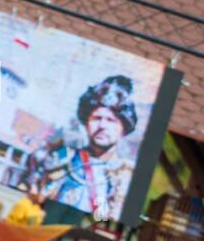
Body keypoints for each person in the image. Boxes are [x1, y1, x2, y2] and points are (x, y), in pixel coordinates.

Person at [26, 75, 139, 222]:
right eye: (97, 118)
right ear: (86, 122)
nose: (102, 126)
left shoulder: (126, 174)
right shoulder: (62, 159)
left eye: (111, 120)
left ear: (123, 128)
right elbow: (37, 198)